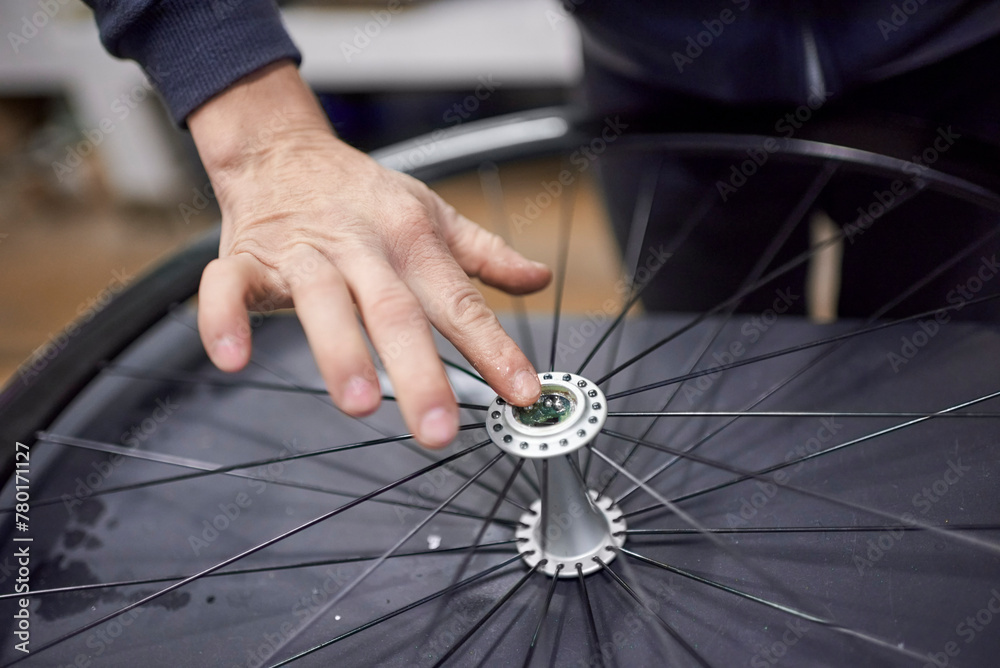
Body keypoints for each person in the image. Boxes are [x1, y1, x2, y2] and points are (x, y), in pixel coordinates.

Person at [81, 0, 1000, 447]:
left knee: (942, 416)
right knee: (715, 407)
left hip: (971, 72)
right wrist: (262, 134)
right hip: (661, 81)